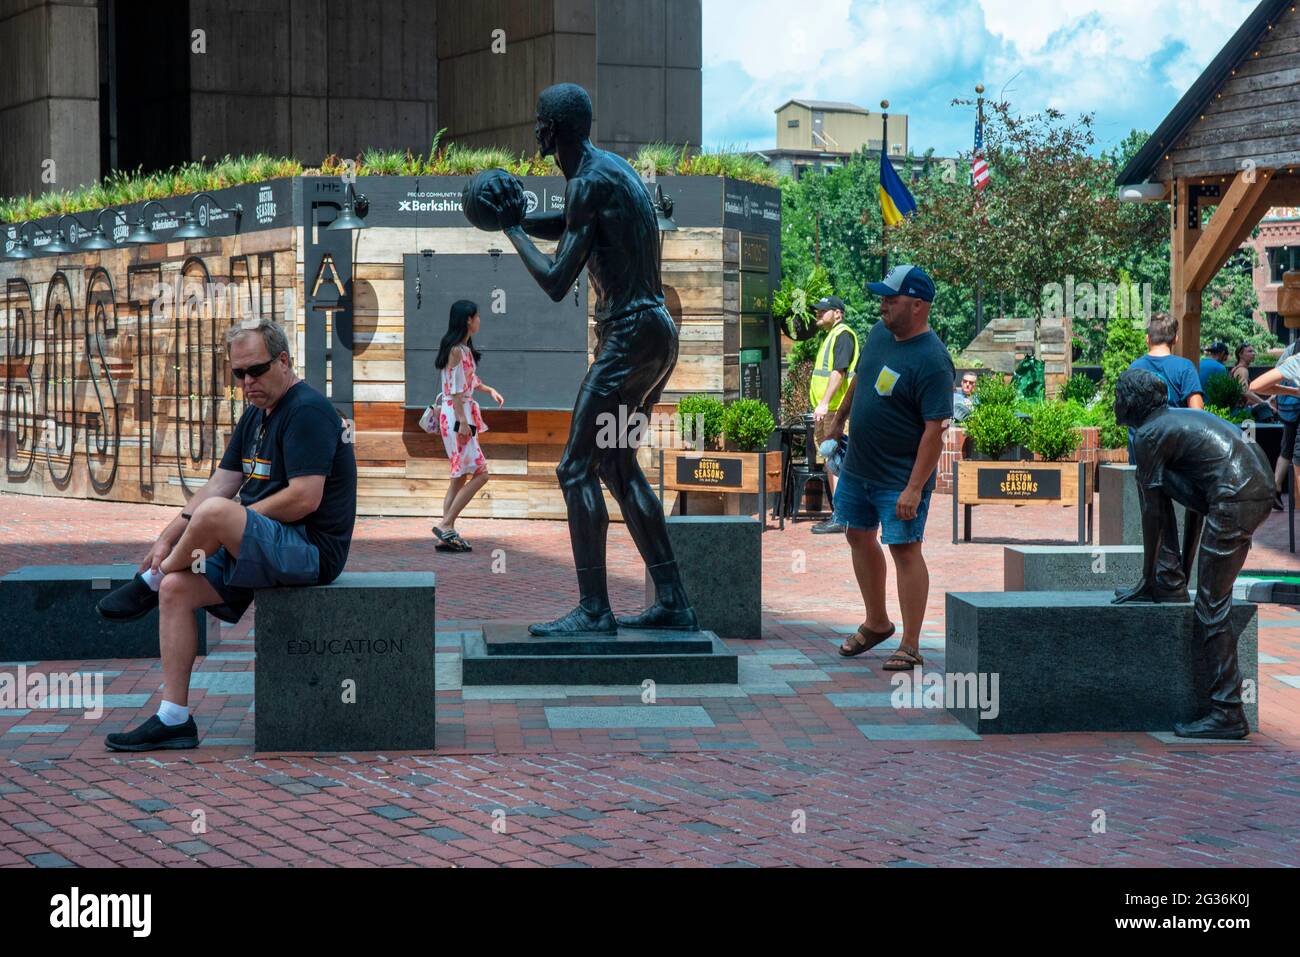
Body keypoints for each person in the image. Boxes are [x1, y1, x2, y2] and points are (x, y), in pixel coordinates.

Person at [484, 82, 698, 636]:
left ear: (551, 130)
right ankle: (673, 602)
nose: (534, 129)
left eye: (538, 120)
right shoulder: (608, 171)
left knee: (575, 466)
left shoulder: (587, 181)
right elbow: (575, 225)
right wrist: (527, 218)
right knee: (617, 465)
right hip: (653, 335)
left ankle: (595, 610)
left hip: (628, 338)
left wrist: (510, 228)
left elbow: (557, 281)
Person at [95, 319, 357, 751]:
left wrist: (233, 520)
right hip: (258, 540)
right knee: (178, 589)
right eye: (238, 374)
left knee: (217, 515)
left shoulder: (307, 411)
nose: (247, 382)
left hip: (310, 551)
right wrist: (166, 537)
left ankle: (150, 582)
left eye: (256, 370)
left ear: (284, 361)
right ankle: (174, 717)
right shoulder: (255, 415)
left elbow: (306, 498)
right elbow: (218, 484)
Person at [1113, 368, 1274, 739]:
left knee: (1210, 606)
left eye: (1118, 396)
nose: (1114, 403)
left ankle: (1228, 711)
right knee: (1156, 482)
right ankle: (1168, 581)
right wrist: (1176, 573)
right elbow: (1193, 500)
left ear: (1133, 402)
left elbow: (1152, 513)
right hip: (1245, 489)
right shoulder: (1171, 422)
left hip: (1237, 496)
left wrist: (1145, 578)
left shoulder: (1150, 433)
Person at [824, 264, 953, 670]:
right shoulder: (880, 334)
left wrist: (914, 489)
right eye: (881, 297)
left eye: (890, 299)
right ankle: (877, 622)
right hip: (858, 469)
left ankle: (911, 644)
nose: (882, 305)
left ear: (917, 306)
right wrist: (838, 419)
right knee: (857, 536)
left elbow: (935, 431)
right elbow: (861, 380)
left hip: (900, 477)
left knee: (905, 549)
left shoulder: (933, 360)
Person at [430, 300, 504, 553]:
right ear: (467, 320)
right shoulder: (456, 351)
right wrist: (463, 422)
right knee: (481, 472)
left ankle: (445, 534)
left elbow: (468, 382)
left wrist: (489, 389)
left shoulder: (462, 349)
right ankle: (446, 523)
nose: (479, 320)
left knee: (459, 476)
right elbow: (456, 389)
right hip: (458, 417)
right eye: (477, 316)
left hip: (459, 415)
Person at [809, 294, 860, 534]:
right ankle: (839, 514)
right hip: (829, 411)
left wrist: (824, 403)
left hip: (837, 411)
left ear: (837, 313)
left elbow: (839, 372)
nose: (818, 313)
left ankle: (842, 516)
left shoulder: (843, 335)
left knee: (838, 461)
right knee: (832, 462)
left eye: (823, 310)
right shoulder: (831, 336)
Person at [1248, 340, 1300, 509]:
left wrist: (1293, 392)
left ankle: (1275, 486)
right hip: (1292, 410)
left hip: (1291, 409)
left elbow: (1255, 386)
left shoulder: (1295, 356)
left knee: (1287, 449)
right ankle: (1275, 486)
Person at [1231, 343, 1271, 417]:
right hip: (1239, 412)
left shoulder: (1236, 368)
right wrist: (1263, 402)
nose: (1253, 354)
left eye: (1253, 351)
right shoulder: (1242, 370)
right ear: (1240, 354)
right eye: (1249, 351)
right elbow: (1244, 391)